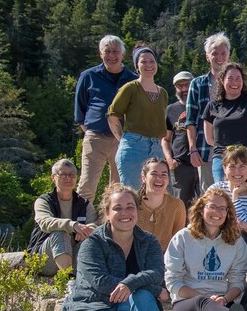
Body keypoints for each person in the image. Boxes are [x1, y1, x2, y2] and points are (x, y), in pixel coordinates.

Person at [61, 184, 179, 311]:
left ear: (137, 210)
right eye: (117, 208)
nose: (125, 213)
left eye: (130, 207)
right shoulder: (92, 244)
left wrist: (130, 284)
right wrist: (148, 287)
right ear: (107, 213)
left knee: (142, 296)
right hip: (90, 309)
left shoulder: (149, 241)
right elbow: (101, 282)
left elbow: (157, 274)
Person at [165, 189, 247, 311]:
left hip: (221, 303)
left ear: (228, 214)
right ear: (201, 209)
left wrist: (224, 299)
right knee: (202, 302)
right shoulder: (182, 237)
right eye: (212, 206)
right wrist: (206, 297)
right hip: (187, 306)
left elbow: (238, 281)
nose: (217, 212)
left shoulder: (237, 242)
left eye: (223, 208)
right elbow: (173, 282)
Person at [74, 35, 138, 202]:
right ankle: (81, 224)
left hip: (123, 140)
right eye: (107, 51)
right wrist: (90, 132)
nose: (111, 55)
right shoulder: (88, 76)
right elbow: (80, 110)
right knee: (87, 185)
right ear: (100, 54)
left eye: (115, 51)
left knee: (118, 188)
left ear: (122, 54)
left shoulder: (132, 80)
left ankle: (111, 225)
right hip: (95, 137)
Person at [107, 44, 169, 189]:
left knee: (159, 196)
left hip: (157, 149)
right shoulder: (130, 88)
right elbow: (113, 115)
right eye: (143, 61)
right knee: (134, 196)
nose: (148, 65)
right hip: (133, 148)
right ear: (137, 66)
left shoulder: (163, 93)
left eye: (152, 61)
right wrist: (123, 140)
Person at [27, 159, 97, 276]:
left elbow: (96, 224)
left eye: (71, 175)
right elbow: (45, 222)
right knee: (60, 233)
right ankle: (68, 280)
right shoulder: (43, 201)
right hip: (46, 259)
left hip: (74, 255)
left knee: (93, 239)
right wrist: (74, 226)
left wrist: (87, 229)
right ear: (53, 177)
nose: (68, 178)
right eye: (63, 174)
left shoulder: (84, 204)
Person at [202, 62, 247, 187]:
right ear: (222, 80)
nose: (235, 82)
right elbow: (210, 139)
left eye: (238, 78)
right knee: (223, 200)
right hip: (222, 162)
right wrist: (229, 153)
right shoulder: (212, 106)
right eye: (230, 78)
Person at [185, 32, 231, 191]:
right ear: (207, 57)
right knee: (209, 194)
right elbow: (190, 120)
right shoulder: (197, 84)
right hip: (206, 151)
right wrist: (192, 149)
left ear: (229, 56)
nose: (219, 57)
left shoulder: (236, 83)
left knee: (234, 196)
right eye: (215, 53)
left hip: (232, 151)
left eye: (223, 53)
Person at [208, 145, 247, 253]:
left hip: (240, 246)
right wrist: (241, 225)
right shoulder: (215, 189)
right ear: (224, 168)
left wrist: (235, 196)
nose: (237, 172)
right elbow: (208, 218)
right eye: (232, 166)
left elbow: (246, 226)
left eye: (242, 166)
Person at [162, 71, 199, 209]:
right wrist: (169, 160)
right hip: (181, 165)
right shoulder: (171, 109)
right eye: (179, 86)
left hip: (203, 162)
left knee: (205, 203)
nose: (184, 89)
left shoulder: (201, 105)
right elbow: (165, 139)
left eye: (187, 84)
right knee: (181, 206)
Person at [136, 158, 186, 252]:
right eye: (154, 174)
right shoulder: (132, 204)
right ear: (144, 178)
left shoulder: (177, 206)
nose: (159, 178)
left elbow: (178, 242)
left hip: (163, 261)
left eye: (164, 175)